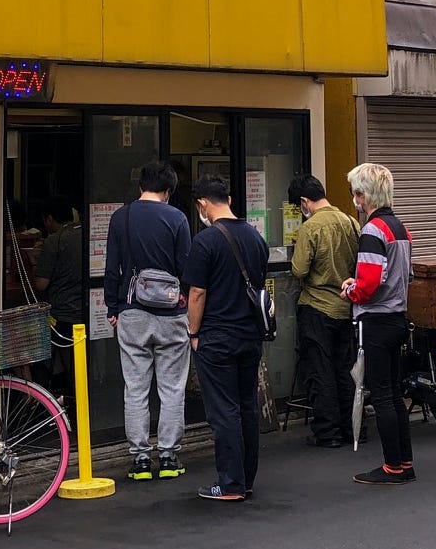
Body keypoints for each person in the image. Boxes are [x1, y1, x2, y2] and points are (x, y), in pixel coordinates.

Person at [104, 161, 193, 481]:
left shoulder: (121, 217)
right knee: (172, 388)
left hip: (132, 312)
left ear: (141, 185)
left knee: (136, 388)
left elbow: (112, 267)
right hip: (171, 314)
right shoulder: (177, 218)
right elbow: (188, 267)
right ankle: (168, 457)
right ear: (168, 191)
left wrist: (113, 307)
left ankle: (140, 459)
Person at [184, 174, 269, 502]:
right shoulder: (255, 237)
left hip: (217, 337)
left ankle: (231, 483)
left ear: (202, 204)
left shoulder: (205, 242)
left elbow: (197, 293)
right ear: (229, 200)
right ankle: (246, 479)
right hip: (250, 334)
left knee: (224, 411)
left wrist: (193, 333)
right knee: (247, 405)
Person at [340, 162, 415, 486]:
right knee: (395, 394)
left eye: (355, 192)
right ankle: (404, 461)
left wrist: (350, 289)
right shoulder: (400, 228)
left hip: (377, 320)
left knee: (381, 394)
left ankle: (392, 467)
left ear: (362, 194)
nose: (354, 199)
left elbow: (368, 283)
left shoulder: (372, 230)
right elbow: (405, 275)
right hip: (398, 316)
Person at [287, 173, 359, 448]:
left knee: (320, 371)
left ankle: (328, 432)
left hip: (317, 307)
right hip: (346, 306)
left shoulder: (311, 227)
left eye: (298, 205)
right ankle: (353, 427)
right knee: (347, 371)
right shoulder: (351, 222)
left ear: (305, 201)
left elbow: (299, 269)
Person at [32, 195, 84, 397]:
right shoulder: (86, 233)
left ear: (49, 219)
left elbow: (41, 283)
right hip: (89, 312)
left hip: (63, 315)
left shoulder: (54, 241)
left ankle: (62, 390)